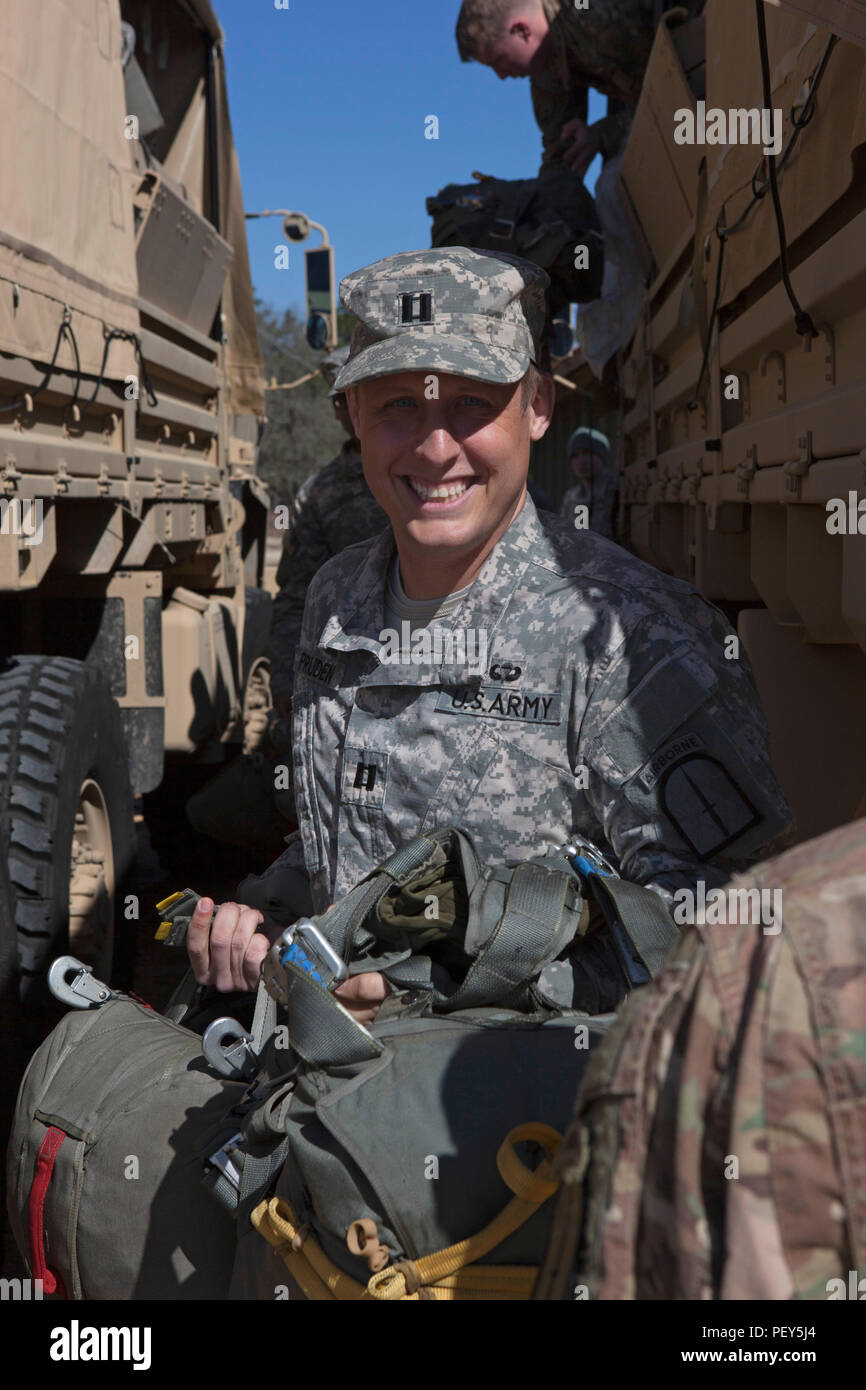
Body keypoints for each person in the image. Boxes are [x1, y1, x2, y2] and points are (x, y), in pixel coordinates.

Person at [186, 246, 792, 1023]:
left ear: (538, 405)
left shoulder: (630, 638)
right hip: (337, 1103)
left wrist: (432, 990)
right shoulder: (337, 600)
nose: (436, 447)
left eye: (472, 402)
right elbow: (342, 845)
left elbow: (732, 934)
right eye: (398, 403)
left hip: (525, 1119)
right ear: (353, 417)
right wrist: (271, 921)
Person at [268, 346, 389, 724]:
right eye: (340, 400)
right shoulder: (320, 494)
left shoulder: (437, 469)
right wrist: (285, 676)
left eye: (359, 394)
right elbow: (295, 594)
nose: (347, 410)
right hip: (348, 680)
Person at [455, 0, 660, 178]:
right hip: (662, 104)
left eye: (498, 61)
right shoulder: (545, 69)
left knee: (616, 186)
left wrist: (603, 133)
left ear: (521, 31)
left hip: (683, 81)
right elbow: (559, 156)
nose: (501, 76)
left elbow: (667, 88)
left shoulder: (597, 11)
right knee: (613, 181)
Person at [559, 427, 618, 539]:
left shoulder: (617, 490)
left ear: (601, 456)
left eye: (587, 453)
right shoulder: (571, 498)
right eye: (575, 455)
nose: (581, 460)